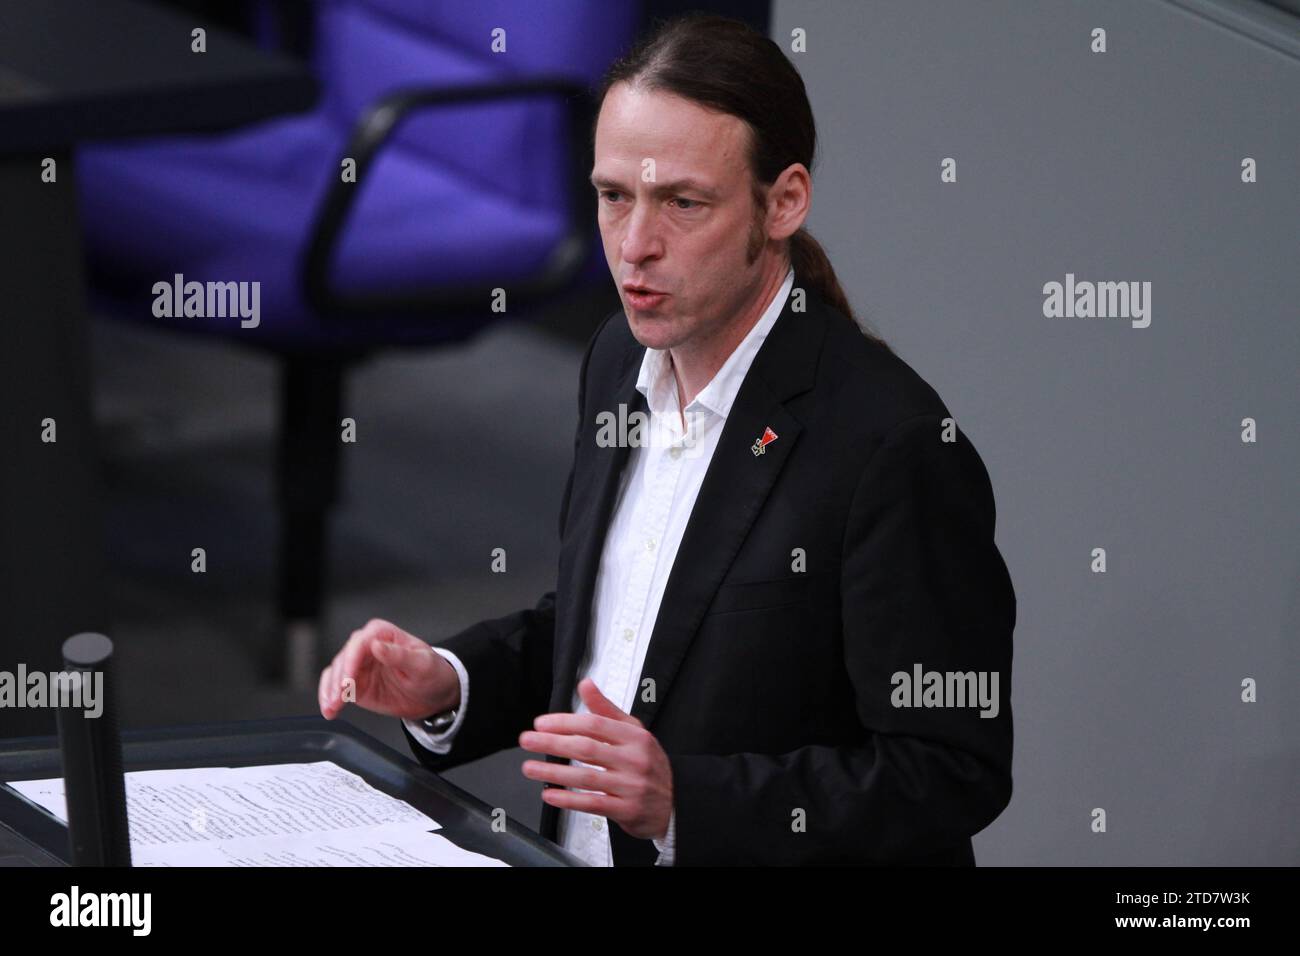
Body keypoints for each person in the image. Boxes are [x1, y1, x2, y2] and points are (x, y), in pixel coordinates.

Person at [318, 13, 1015, 866]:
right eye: (614, 197)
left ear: (784, 201)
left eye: (683, 203)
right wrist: (450, 685)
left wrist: (688, 802)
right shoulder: (619, 358)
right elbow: (614, 629)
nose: (635, 248)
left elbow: (948, 772)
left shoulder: (893, 448)